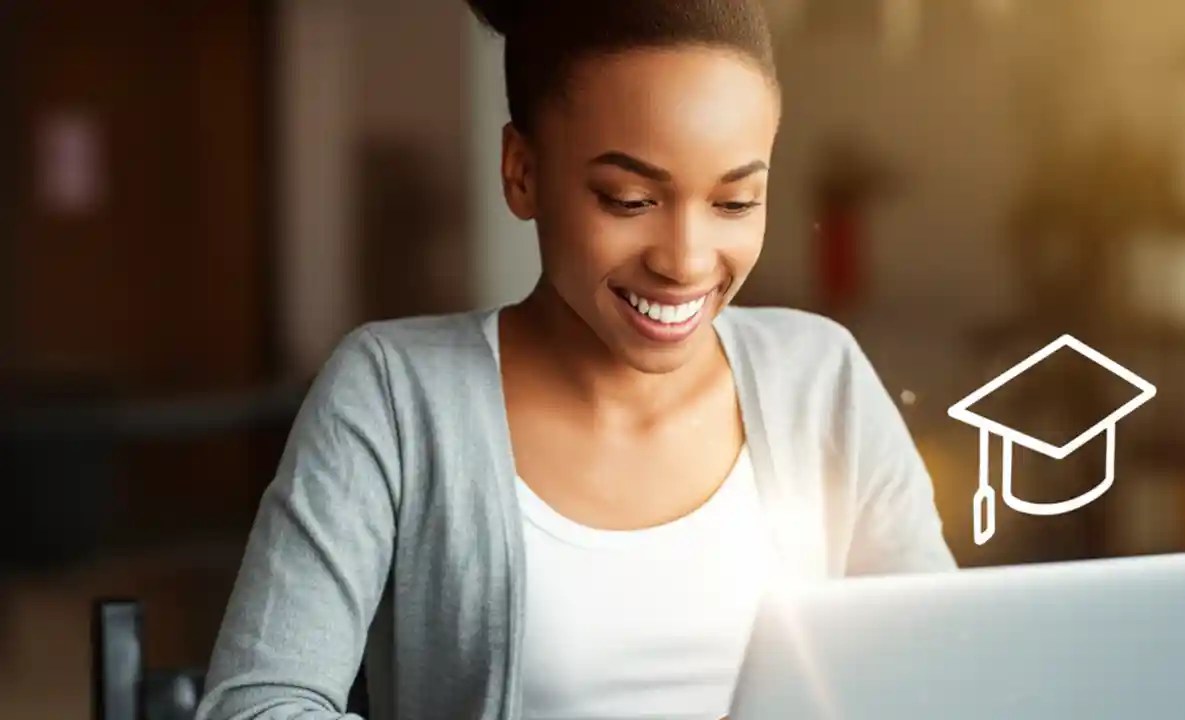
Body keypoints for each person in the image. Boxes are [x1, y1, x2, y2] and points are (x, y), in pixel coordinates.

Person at [195, 1, 956, 719]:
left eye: (734, 203)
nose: (686, 262)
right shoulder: (395, 396)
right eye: (629, 199)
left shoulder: (821, 379)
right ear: (522, 172)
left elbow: (949, 674)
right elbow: (259, 706)